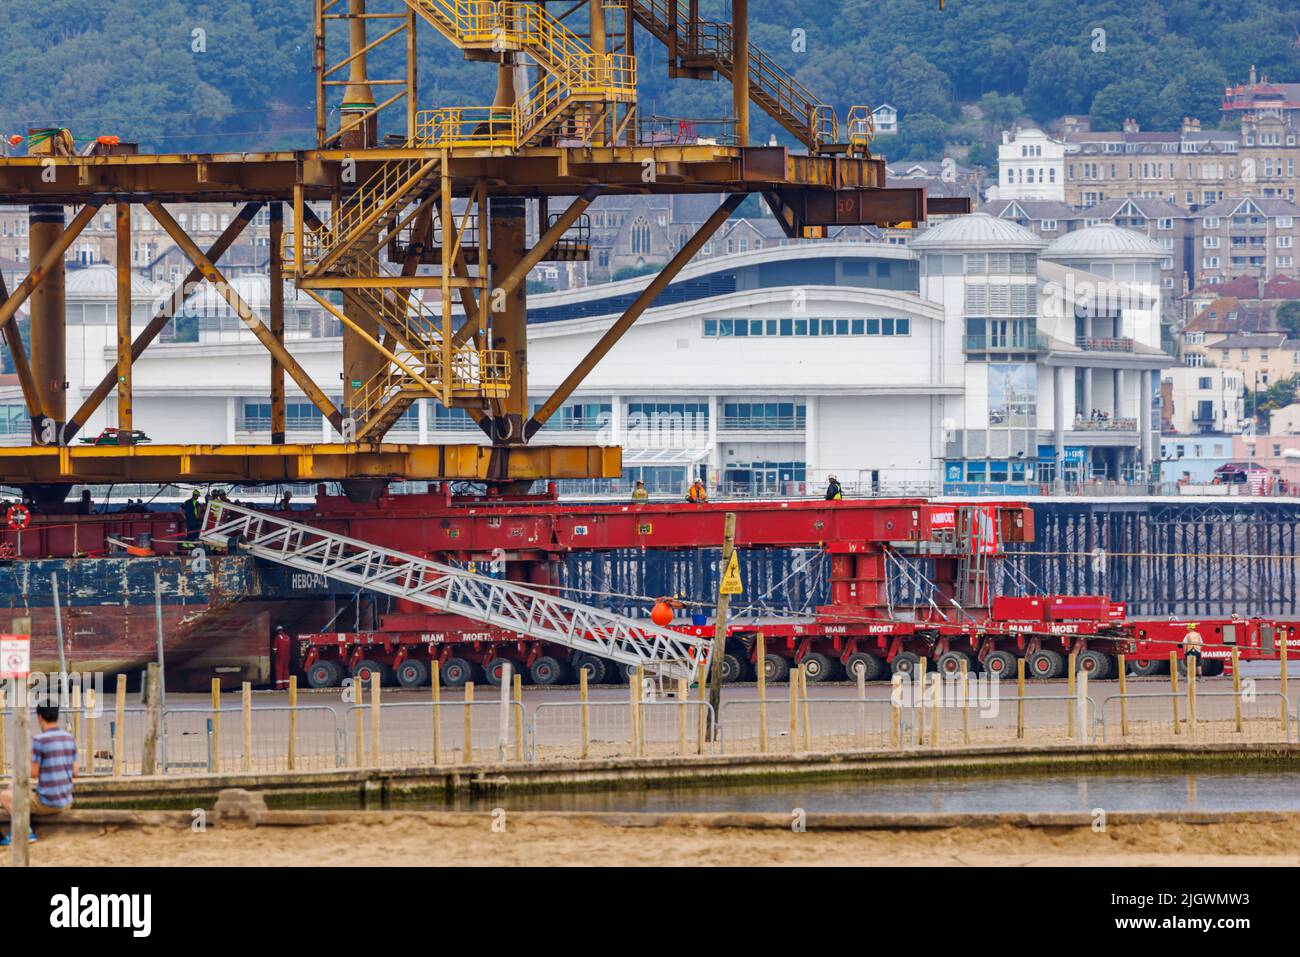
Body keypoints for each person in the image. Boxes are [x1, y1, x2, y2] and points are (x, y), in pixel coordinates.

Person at [0, 700, 77, 844]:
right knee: (12, 788)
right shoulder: (69, 738)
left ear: (40, 717)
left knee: (5, 795)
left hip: (48, 802)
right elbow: (76, 771)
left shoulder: (40, 740)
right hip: (67, 799)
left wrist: (27, 762)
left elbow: (34, 773)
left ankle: (26, 832)